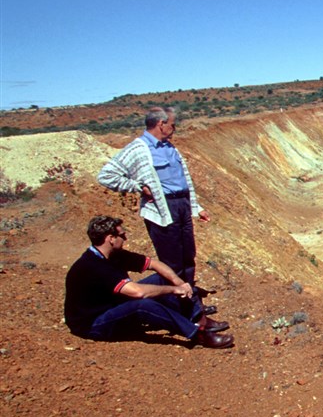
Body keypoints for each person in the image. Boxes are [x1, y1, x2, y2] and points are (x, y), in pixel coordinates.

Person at [97, 107, 217, 314]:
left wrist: (196, 207)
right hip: (162, 210)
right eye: (172, 124)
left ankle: (191, 303)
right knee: (172, 262)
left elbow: (182, 181)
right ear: (161, 124)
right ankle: (184, 310)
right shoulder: (138, 149)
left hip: (182, 205)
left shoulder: (170, 147)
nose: (174, 129)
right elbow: (106, 175)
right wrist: (136, 187)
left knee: (188, 257)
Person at [64, 216, 234, 349]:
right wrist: (174, 290)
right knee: (142, 305)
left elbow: (153, 263)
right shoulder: (93, 265)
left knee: (162, 279)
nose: (125, 238)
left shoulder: (113, 255)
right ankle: (197, 334)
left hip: (112, 305)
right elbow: (138, 292)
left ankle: (197, 317)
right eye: (122, 235)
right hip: (92, 323)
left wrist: (178, 283)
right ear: (110, 238)